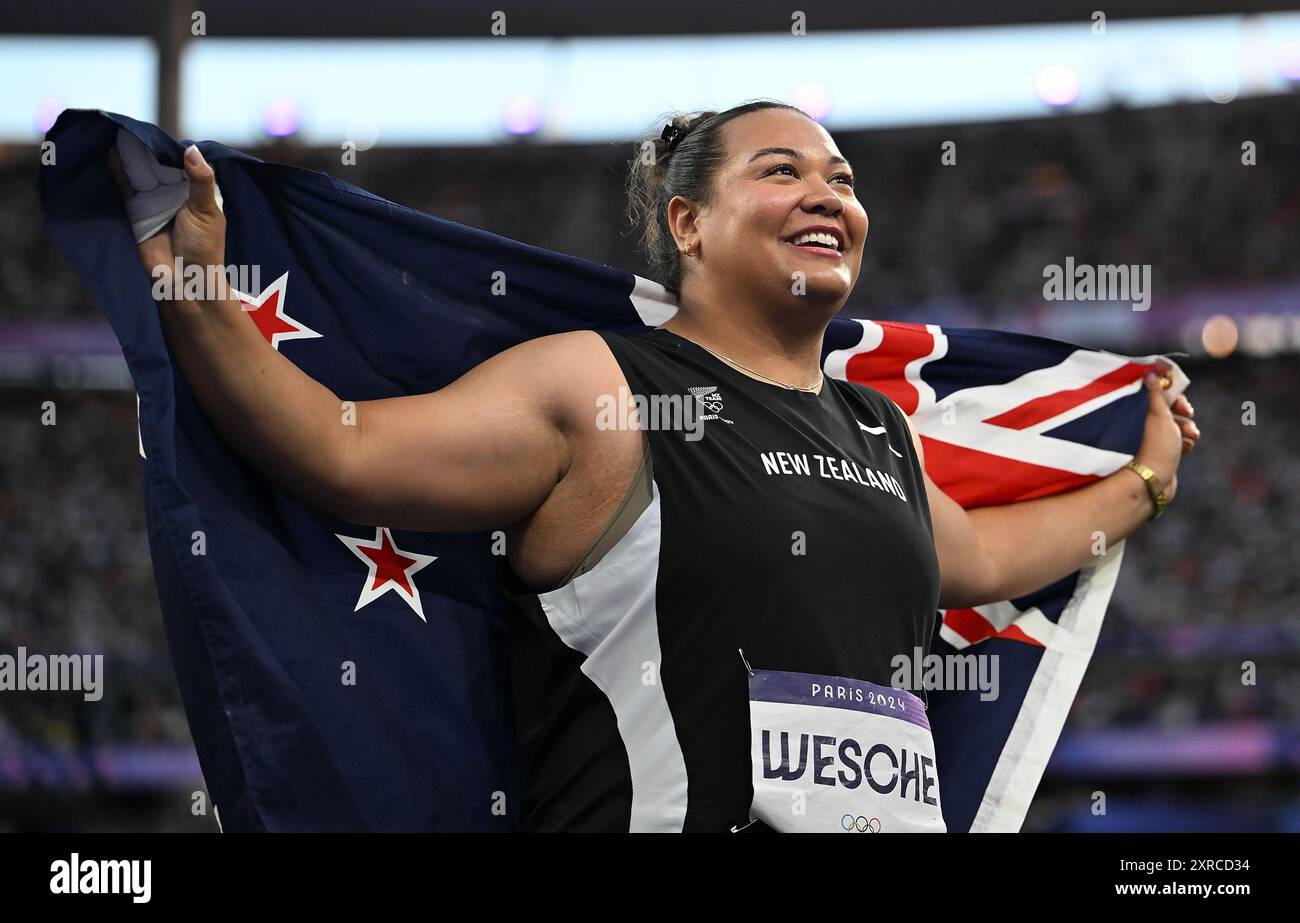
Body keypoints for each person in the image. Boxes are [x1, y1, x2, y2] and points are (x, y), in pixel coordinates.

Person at [111, 99, 1200, 832]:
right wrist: (202, 296)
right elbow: (340, 451)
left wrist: (1142, 480)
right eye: (783, 172)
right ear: (688, 221)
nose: (829, 194)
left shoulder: (882, 431)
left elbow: (989, 552)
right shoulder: (599, 389)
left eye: (843, 177)